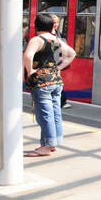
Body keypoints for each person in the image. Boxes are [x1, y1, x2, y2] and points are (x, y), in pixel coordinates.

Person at [23, 11, 75, 157]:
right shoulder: (56, 40)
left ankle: (46, 146)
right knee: (55, 112)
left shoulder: (37, 40)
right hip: (56, 81)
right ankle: (55, 142)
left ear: (37, 25)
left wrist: (30, 71)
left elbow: (27, 55)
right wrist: (58, 68)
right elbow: (72, 53)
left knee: (45, 115)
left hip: (42, 83)